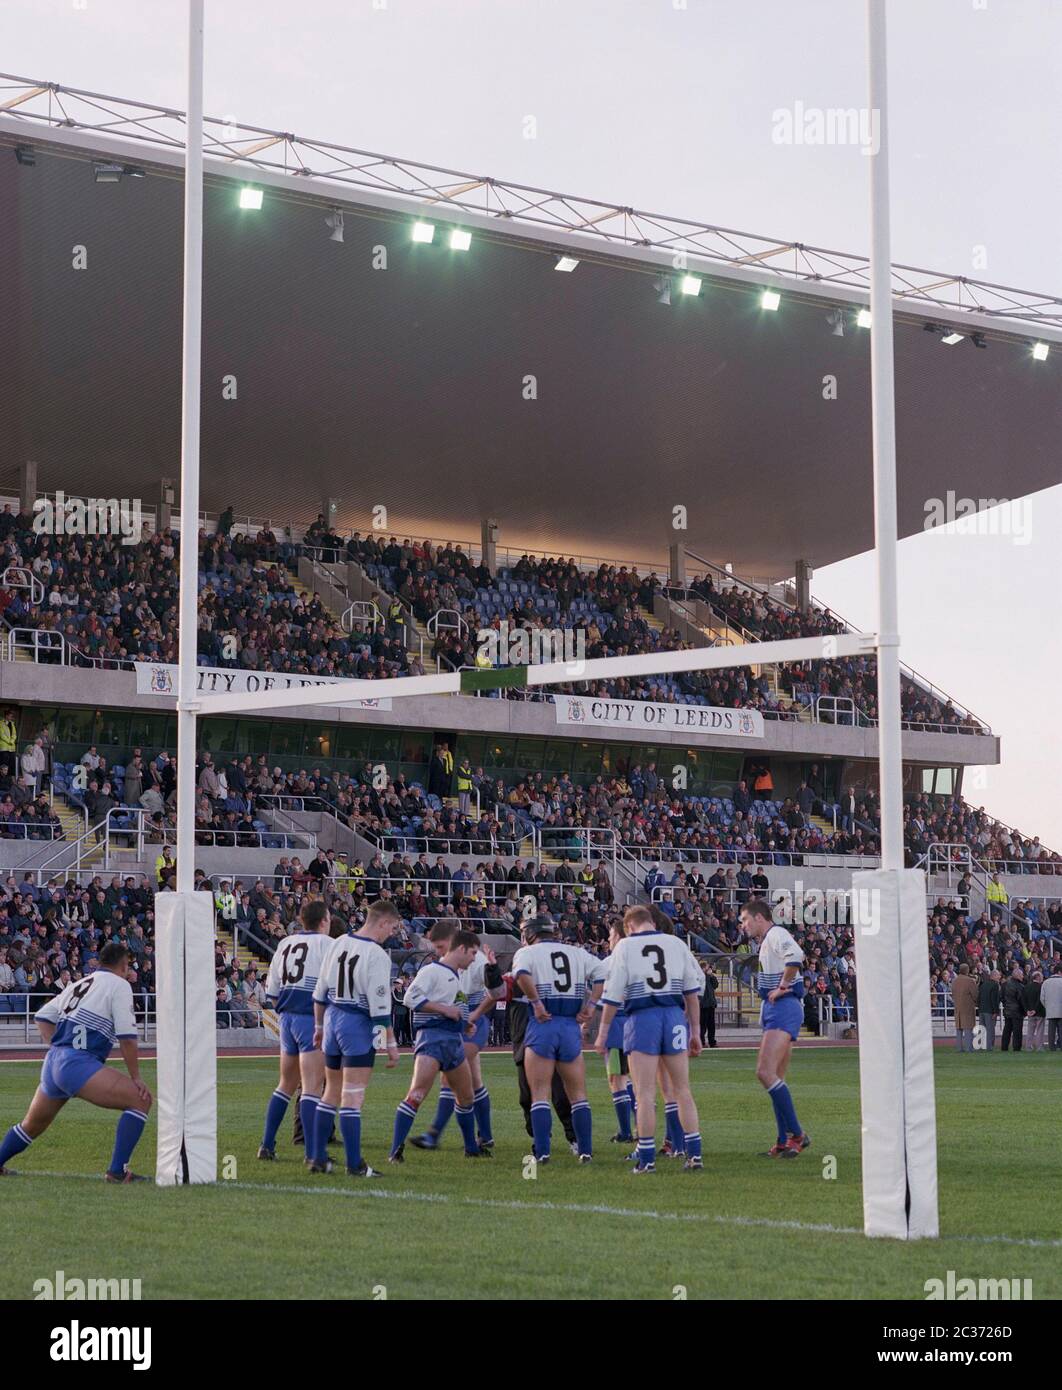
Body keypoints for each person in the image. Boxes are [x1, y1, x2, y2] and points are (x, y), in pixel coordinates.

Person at [0, 943, 152, 1181]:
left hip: (54, 1063)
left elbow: (41, 1016)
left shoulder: (80, 983)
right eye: (128, 965)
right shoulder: (120, 985)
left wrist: (59, 1047)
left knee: (32, 1125)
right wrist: (136, 1078)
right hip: (78, 1062)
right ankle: (117, 1171)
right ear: (123, 965)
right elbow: (127, 1038)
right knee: (140, 1100)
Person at [594, 904, 703, 1174]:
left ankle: (646, 1159)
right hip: (674, 1016)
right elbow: (692, 991)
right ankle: (694, 1154)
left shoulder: (625, 947)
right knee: (682, 1090)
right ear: (651, 922)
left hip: (642, 1018)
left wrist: (603, 1032)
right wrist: (696, 1030)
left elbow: (612, 995)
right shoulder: (676, 943)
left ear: (629, 926)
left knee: (644, 1095)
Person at [311, 899, 400, 1177]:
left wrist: (319, 1026)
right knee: (353, 1095)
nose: (392, 933)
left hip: (333, 1017)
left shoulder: (337, 943)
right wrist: (389, 1044)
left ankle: (318, 1157)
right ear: (383, 922)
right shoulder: (377, 955)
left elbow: (319, 992)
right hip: (357, 1023)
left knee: (331, 1092)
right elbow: (379, 1007)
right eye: (393, 927)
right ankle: (354, 1164)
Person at [389, 929, 491, 1162]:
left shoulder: (454, 975)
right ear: (461, 949)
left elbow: (453, 1006)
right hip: (432, 1039)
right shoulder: (432, 970)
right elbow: (409, 998)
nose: (474, 959)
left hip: (453, 1041)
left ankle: (471, 1149)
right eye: (473, 953)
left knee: (466, 1097)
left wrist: (464, 1025)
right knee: (417, 1094)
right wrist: (445, 1010)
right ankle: (395, 1150)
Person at [511, 914, 604, 1164]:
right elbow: (602, 974)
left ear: (530, 934)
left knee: (539, 1093)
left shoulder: (528, 953)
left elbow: (521, 975)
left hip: (543, 1024)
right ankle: (584, 1150)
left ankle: (542, 1152)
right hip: (570, 1026)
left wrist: (536, 1002)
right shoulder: (577, 953)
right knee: (578, 1095)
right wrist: (592, 1005)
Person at [257, 899, 334, 1164]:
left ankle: (267, 1144)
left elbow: (272, 991)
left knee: (286, 1085)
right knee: (312, 1087)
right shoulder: (329, 945)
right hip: (311, 1018)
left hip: (287, 1018)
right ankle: (314, 1154)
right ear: (325, 920)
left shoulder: (285, 943)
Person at [412, 938, 503, 1152]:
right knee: (474, 1082)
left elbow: (497, 992)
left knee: (449, 1077)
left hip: (472, 1019)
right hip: (456, 1018)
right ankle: (486, 1137)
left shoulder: (476, 960)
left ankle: (434, 1134)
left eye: (440, 946)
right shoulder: (445, 963)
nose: (438, 951)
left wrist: (477, 1013)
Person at [739, 900, 811, 1158]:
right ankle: (783, 1140)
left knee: (765, 1072)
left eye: (745, 920)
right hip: (778, 1008)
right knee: (775, 1078)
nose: (742, 925)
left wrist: (782, 986)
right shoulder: (767, 940)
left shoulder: (777, 934)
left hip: (784, 1007)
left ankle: (797, 1134)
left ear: (759, 918)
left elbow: (796, 956)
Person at [951, 963, 977, 1052]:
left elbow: (952, 994)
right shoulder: (970, 981)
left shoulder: (954, 980)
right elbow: (975, 995)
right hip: (968, 1007)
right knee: (968, 1028)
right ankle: (969, 1048)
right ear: (967, 970)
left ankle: (959, 1048)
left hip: (957, 1007)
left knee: (959, 1029)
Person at [1001, 967, 1025, 1052]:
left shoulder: (1004, 985)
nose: (1023, 976)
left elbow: (1002, 997)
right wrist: (1024, 1011)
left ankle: (1004, 1047)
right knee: (1017, 1031)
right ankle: (1017, 1048)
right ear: (1017, 975)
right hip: (1017, 1011)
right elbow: (1021, 1000)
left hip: (1007, 1010)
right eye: (1022, 974)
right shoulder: (1020, 986)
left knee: (1007, 1030)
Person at [977, 969, 1001, 1051]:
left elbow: (979, 997)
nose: (1000, 977)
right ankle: (989, 1047)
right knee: (990, 1029)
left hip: (981, 1010)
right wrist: (996, 1011)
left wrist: (979, 1008)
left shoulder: (983, 984)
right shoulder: (995, 985)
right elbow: (994, 999)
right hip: (990, 1011)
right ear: (993, 976)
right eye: (998, 975)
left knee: (982, 1028)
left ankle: (980, 1045)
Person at [1041, 965, 1062, 1052]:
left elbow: (1042, 998)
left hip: (1050, 1010)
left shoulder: (1046, 982)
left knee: (1051, 1031)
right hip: (1061, 1009)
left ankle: (1051, 1047)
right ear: (1060, 972)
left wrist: (1047, 1006)